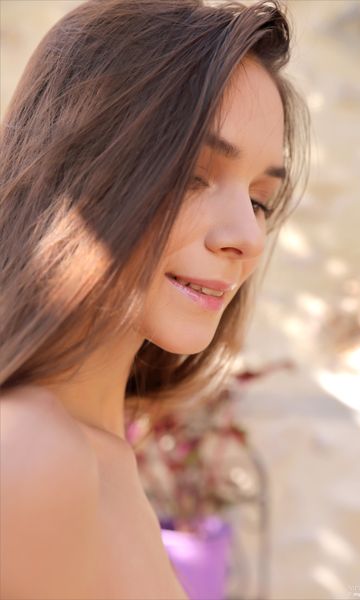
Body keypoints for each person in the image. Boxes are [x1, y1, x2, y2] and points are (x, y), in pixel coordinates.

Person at [0, 0, 309, 598]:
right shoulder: (34, 455)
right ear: (80, 173)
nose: (248, 237)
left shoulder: (98, 455)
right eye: (193, 175)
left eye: (259, 200)